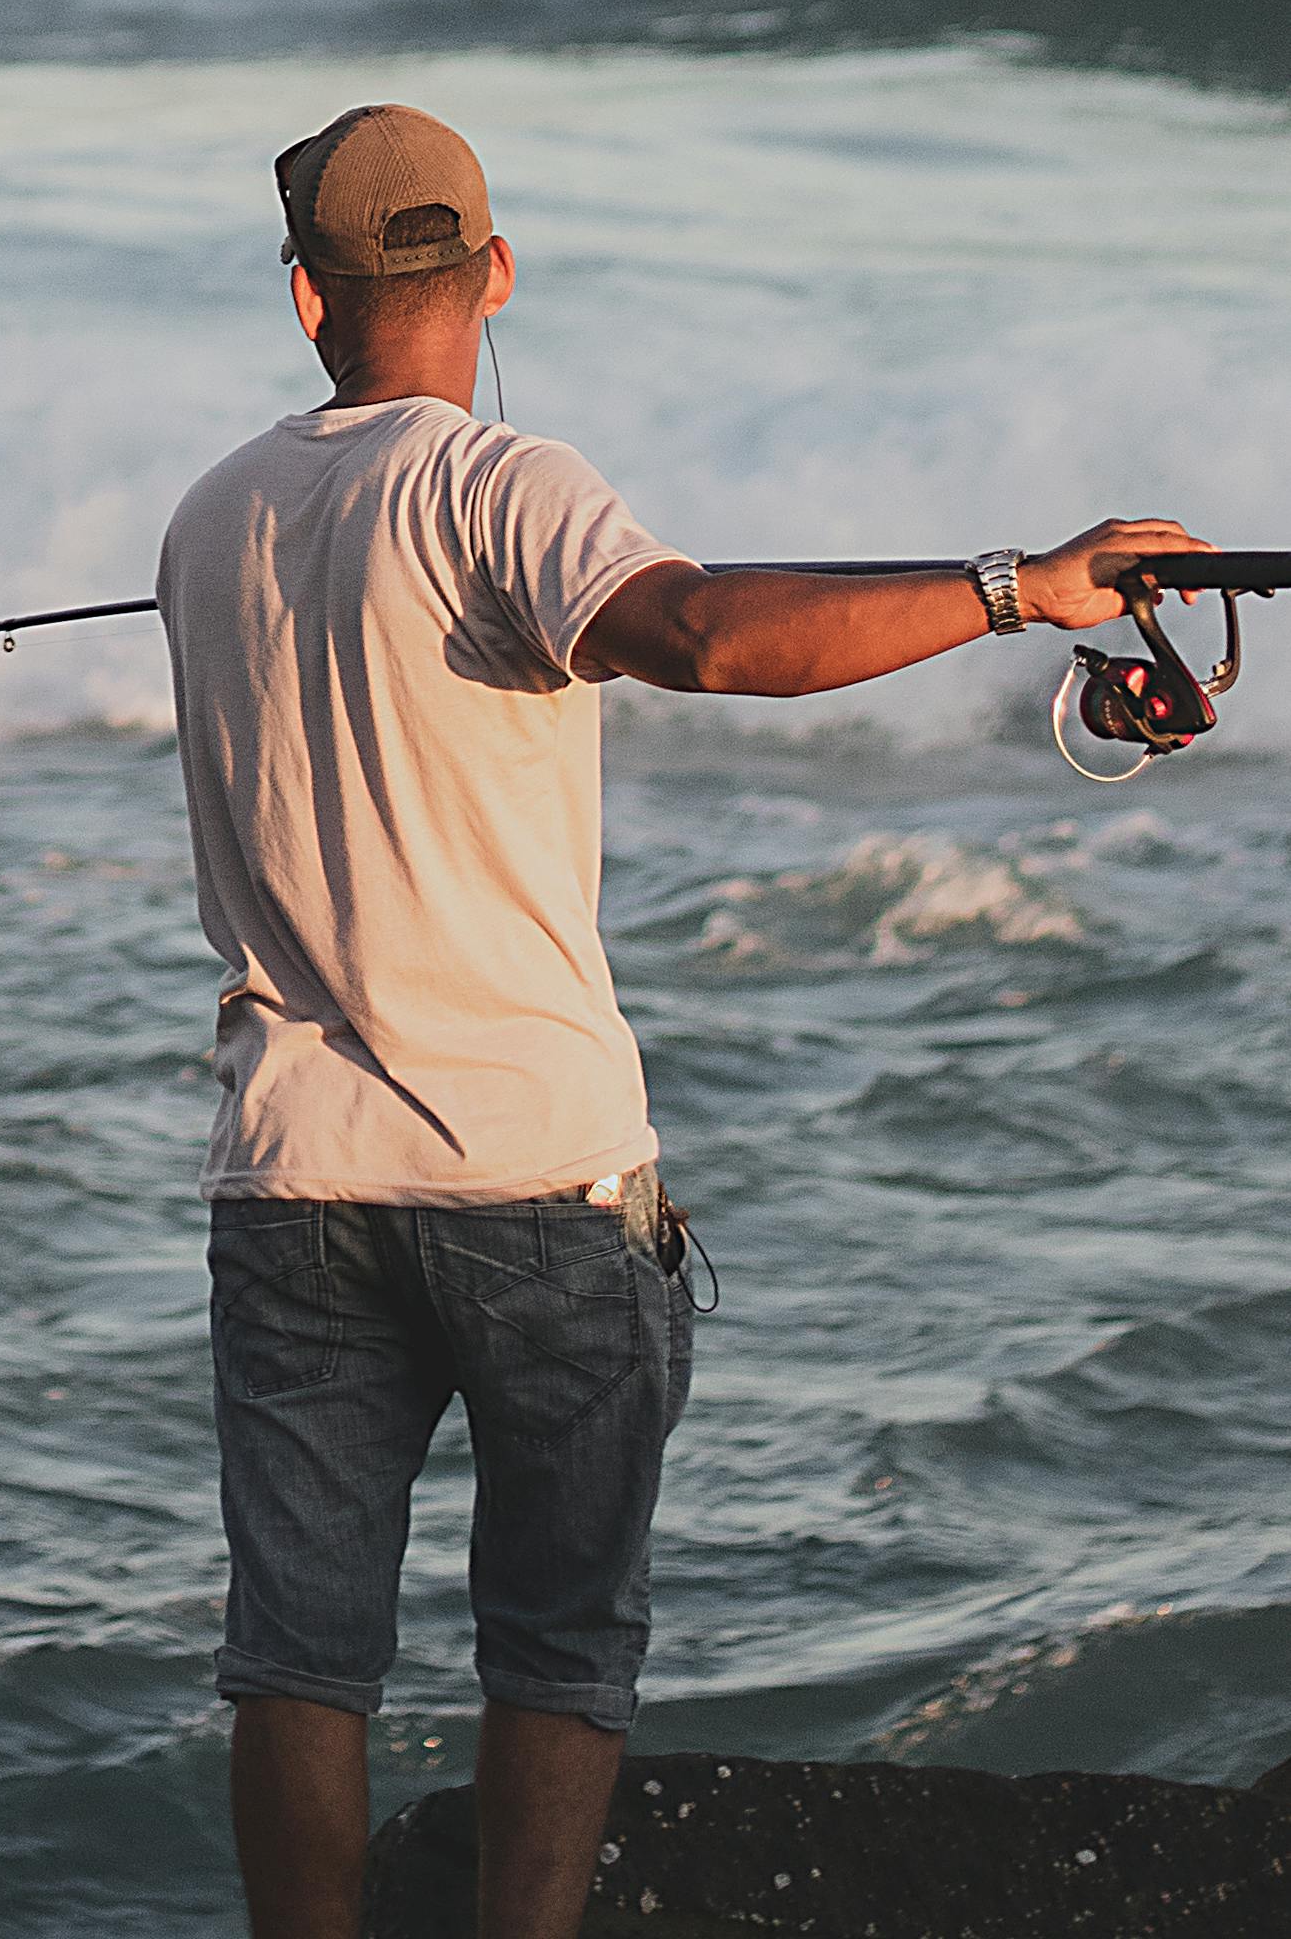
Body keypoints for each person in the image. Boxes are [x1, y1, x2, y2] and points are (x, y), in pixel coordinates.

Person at [155, 102, 1205, 1939]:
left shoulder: (213, 515)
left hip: (292, 1180)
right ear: (492, 270)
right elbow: (708, 633)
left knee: (297, 1660)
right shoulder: (503, 484)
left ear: (306, 300)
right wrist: (1009, 592)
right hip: (534, 1179)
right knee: (556, 1648)